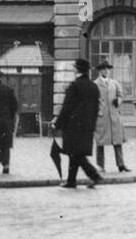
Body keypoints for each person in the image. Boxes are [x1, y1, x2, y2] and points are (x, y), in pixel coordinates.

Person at [53, 58, 102, 189]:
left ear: (77, 69)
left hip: (73, 126)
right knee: (75, 154)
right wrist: (92, 123)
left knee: (75, 154)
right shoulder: (94, 86)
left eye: (74, 67)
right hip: (87, 126)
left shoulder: (74, 86)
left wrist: (58, 124)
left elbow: (67, 108)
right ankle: (71, 181)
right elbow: (96, 108)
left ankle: (94, 175)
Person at [93, 59, 130, 172]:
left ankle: (121, 164)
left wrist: (118, 100)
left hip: (114, 116)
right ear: (99, 71)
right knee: (100, 142)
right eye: (103, 69)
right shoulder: (95, 84)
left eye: (107, 69)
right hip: (101, 117)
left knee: (117, 141)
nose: (106, 71)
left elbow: (121, 95)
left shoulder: (114, 83)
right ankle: (100, 165)